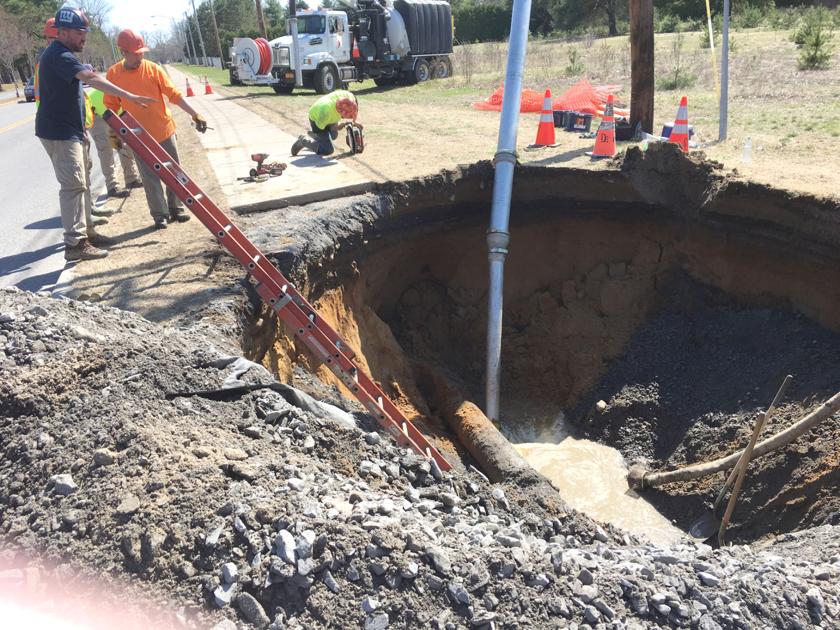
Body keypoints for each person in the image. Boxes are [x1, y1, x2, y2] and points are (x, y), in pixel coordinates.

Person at [35, 7, 156, 262]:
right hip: (60, 133)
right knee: (73, 185)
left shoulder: (63, 54)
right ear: (63, 32)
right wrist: (129, 95)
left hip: (71, 131)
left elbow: (74, 96)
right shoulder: (59, 55)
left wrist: (81, 130)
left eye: (85, 32)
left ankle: (87, 233)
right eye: (80, 32)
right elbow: (91, 78)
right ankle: (75, 243)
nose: (84, 37)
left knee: (82, 182)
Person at [104, 29, 208, 229]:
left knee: (174, 172)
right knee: (149, 177)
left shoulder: (153, 69)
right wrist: (113, 132)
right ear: (123, 52)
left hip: (164, 130)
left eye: (142, 52)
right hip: (138, 136)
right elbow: (111, 106)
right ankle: (160, 215)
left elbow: (174, 94)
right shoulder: (114, 74)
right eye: (136, 53)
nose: (140, 57)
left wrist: (194, 114)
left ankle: (176, 208)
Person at [87, 85, 142, 198]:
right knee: (106, 149)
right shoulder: (124, 96)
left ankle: (131, 179)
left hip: (111, 112)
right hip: (94, 112)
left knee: (123, 143)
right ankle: (112, 187)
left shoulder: (129, 96)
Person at [291, 90, 362, 157]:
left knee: (333, 135)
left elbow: (354, 108)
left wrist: (355, 121)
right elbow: (321, 129)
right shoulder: (325, 114)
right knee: (327, 149)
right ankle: (303, 141)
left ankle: (315, 136)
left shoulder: (350, 97)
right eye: (349, 116)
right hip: (316, 119)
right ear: (340, 112)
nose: (350, 117)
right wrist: (337, 126)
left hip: (328, 113)